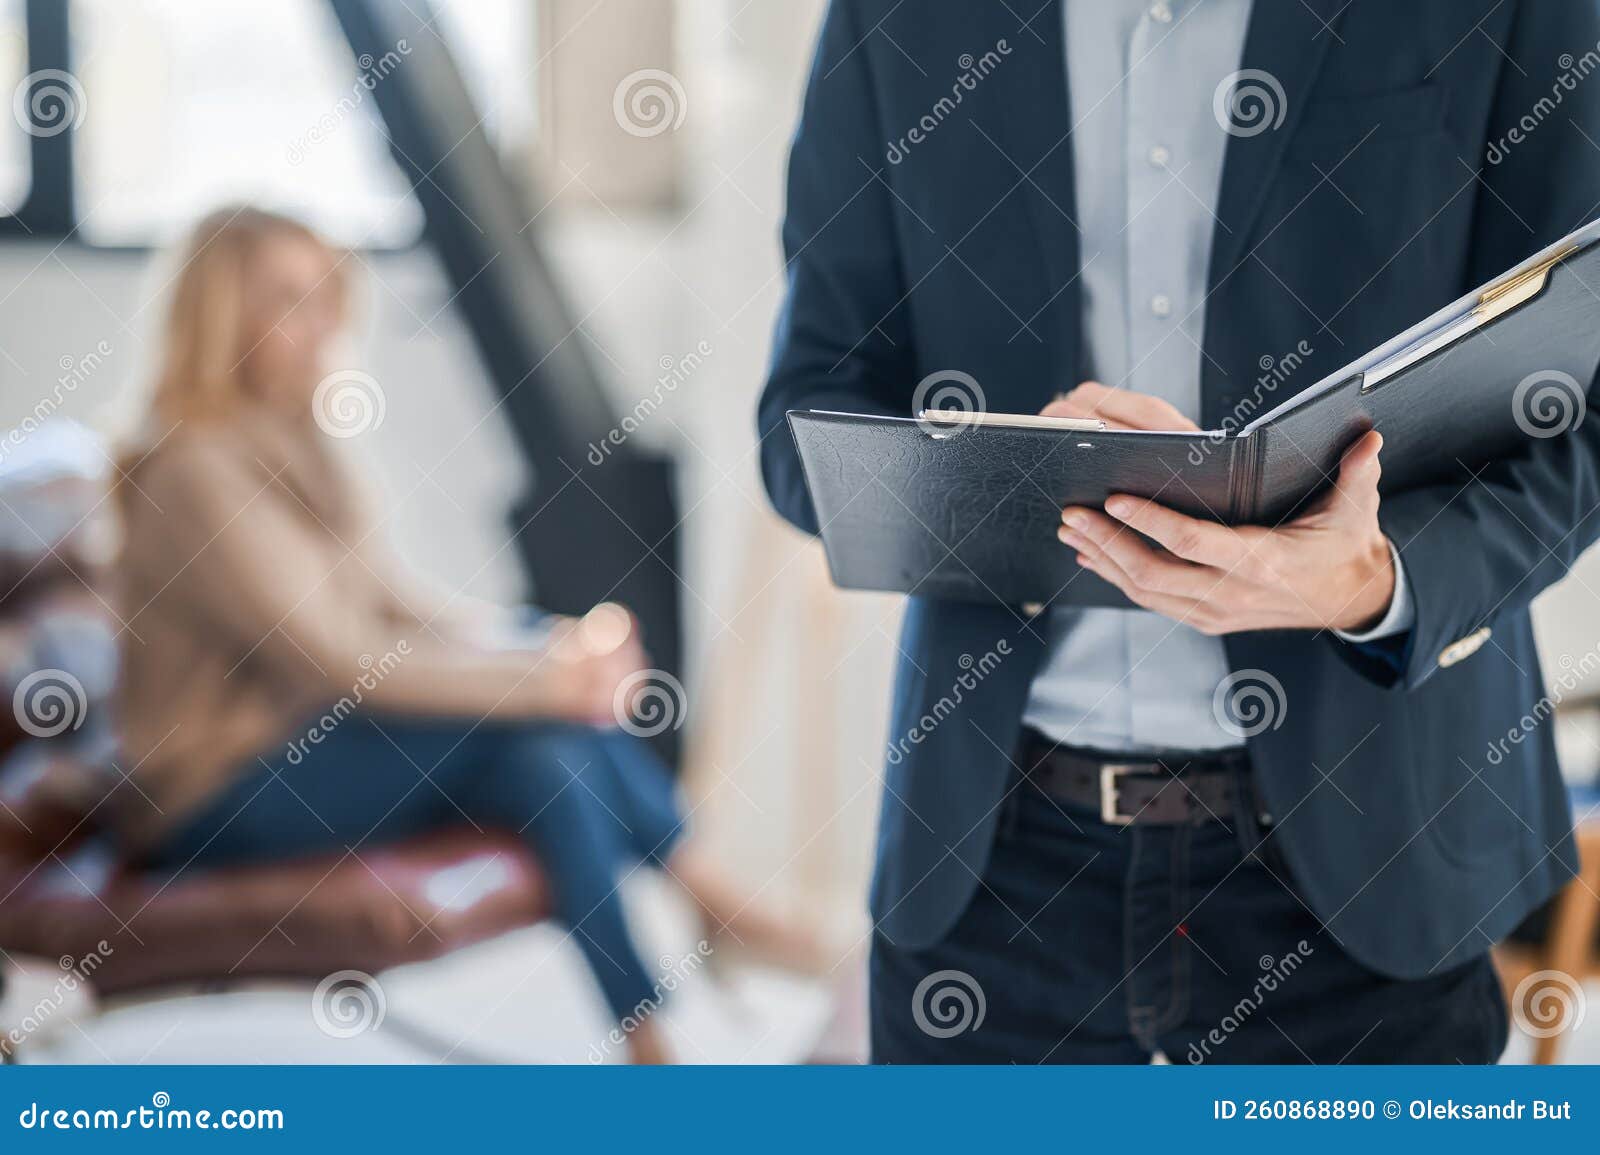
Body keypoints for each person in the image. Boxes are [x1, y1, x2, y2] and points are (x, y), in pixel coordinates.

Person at [760, 0, 1600, 1062]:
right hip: (992, 868)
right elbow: (807, 411)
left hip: (1377, 863)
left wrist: (1376, 580)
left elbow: (1576, 412)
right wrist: (1016, 476)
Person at [114, 207, 805, 1064]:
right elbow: (342, 662)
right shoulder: (193, 465)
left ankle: (651, 1033)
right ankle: (702, 917)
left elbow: (398, 605)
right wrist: (545, 684)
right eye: (287, 300)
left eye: (325, 297)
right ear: (224, 313)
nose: (320, 324)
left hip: (308, 752)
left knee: (542, 755)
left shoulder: (294, 442)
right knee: (541, 728)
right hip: (217, 795)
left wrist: (547, 643)